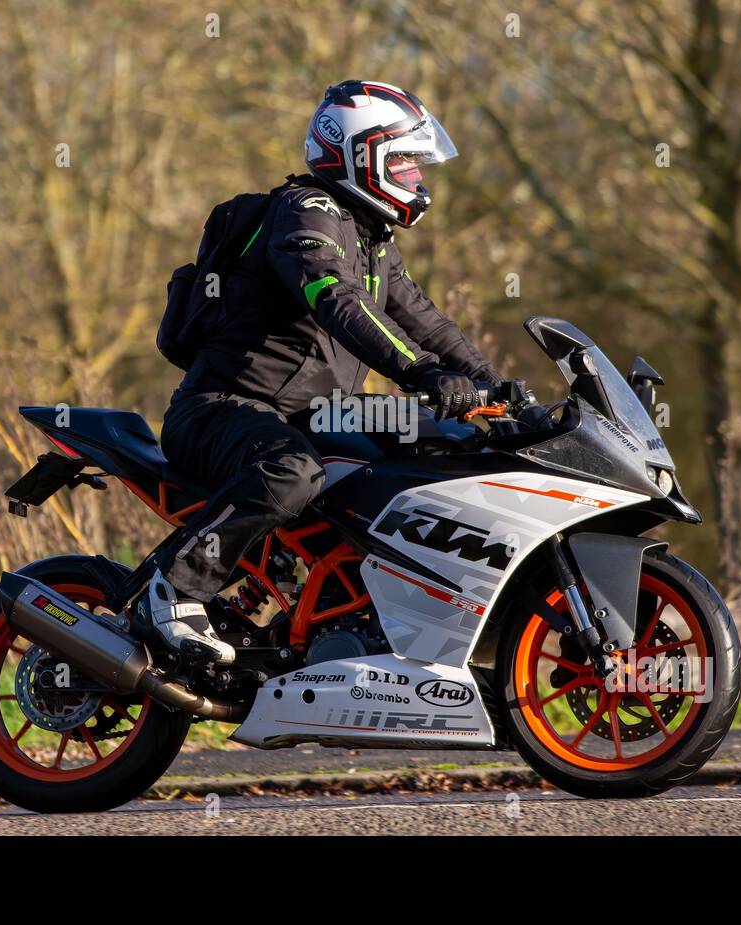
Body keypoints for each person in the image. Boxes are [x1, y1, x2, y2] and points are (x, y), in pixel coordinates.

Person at [145, 80, 504, 663]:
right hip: (224, 408)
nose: (414, 173)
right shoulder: (305, 212)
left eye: (416, 161)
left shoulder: (374, 242)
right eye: (403, 160)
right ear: (360, 156)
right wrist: (422, 375)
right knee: (291, 471)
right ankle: (177, 586)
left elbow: (427, 322)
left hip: (314, 414)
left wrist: (495, 388)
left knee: (441, 440)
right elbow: (334, 299)